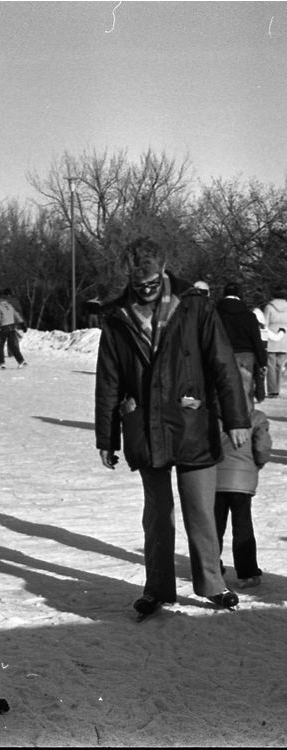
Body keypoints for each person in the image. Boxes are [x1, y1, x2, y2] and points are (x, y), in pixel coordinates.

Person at [95, 237, 251, 618]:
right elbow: (109, 377)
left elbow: (222, 363)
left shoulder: (194, 306)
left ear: (163, 271)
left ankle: (212, 583)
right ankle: (157, 588)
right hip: (145, 427)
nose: (145, 292)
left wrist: (236, 419)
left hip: (192, 420)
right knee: (157, 514)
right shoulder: (117, 315)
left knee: (200, 509)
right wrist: (106, 436)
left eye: (151, 284)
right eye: (138, 285)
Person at [214, 360, 271, 590]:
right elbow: (262, 448)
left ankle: (211, 567)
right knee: (242, 525)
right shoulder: (256, 417)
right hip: (242, 481)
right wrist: (258, 463)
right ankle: (247, 572)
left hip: (216, 479)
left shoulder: (215, 416)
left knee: (214, 526)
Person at [216, 282, 267, 405]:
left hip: (222, 353)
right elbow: (256, 339)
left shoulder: (216, 313)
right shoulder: (248, 315)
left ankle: (225, 419)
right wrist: (262, 361)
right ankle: (246, 418)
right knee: (245, 390)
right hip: (245, 355)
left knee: (223, 389)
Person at [0, 289, 27, 369]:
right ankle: (21, 361)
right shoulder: (9, 305)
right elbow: (16, 314)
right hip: (12, 328)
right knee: (13, 346)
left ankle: (1, 363)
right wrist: (22, 323)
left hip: (3, 329)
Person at [262, 286, 287, 397]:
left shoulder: (269, 307)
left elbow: (265, 324)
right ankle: (277, 388)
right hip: (284, 338)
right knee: (279, 366)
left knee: (270, 366)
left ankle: (272, 391)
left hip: (272, 338)